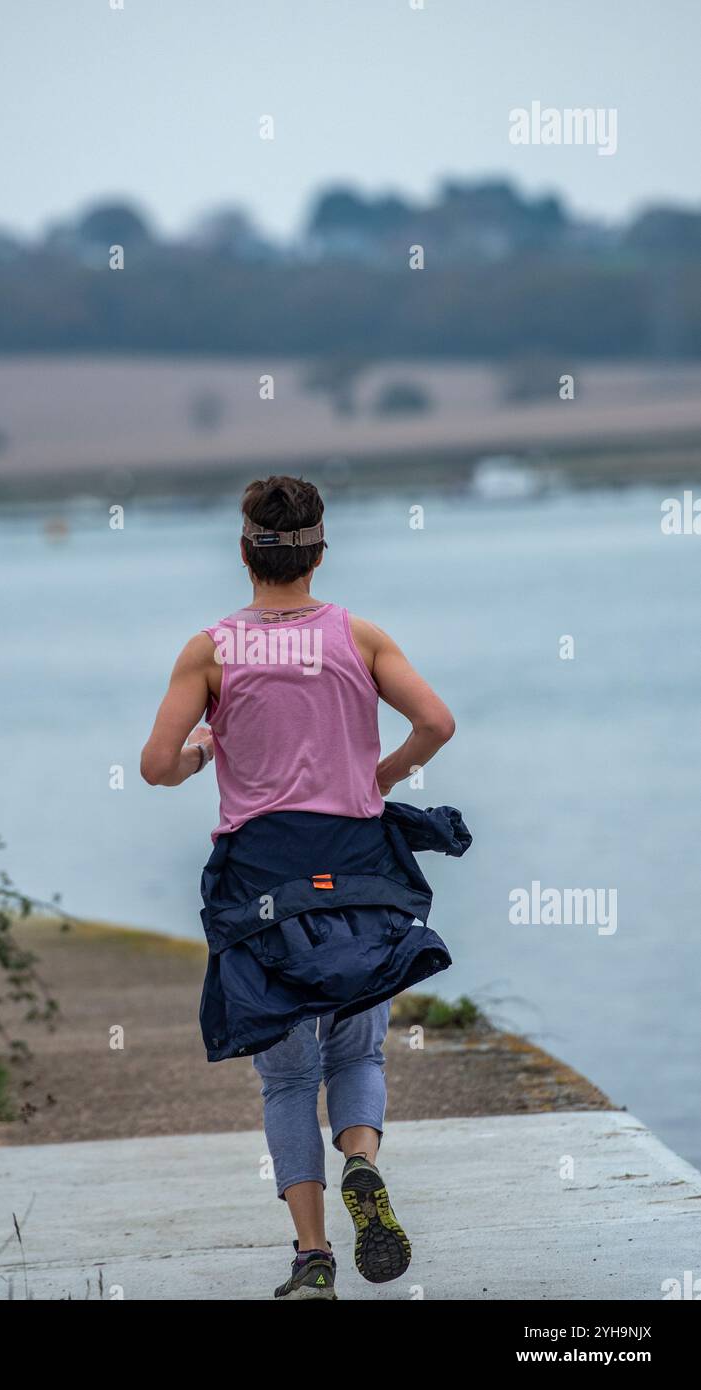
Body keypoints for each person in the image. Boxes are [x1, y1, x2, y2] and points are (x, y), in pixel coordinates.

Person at [141, 475, 461, 1300]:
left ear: (245, 550)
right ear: (319, 552)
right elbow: (437, 723)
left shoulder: (209, 649)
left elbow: (154, 768)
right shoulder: (359, 637)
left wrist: (207, 752)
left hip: (261, 879)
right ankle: (361, 1162)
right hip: (356, 865)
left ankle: (313, 1259)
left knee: (287, 1076)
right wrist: (372, 780)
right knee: (356, 1048)